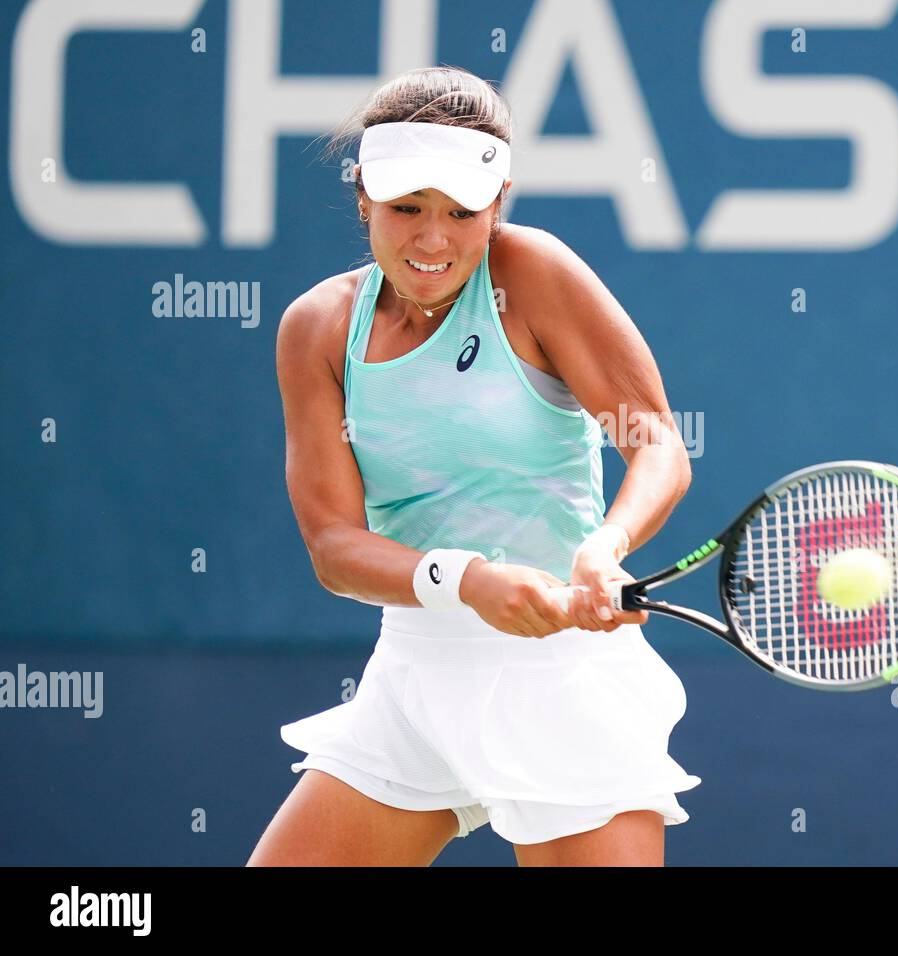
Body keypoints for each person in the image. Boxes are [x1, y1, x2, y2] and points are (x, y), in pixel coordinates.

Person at [246, 66, 701, 867]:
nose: (433, 239)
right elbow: (332, 546)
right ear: (363, 199)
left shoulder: (531, 275)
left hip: (564, 686)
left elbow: (656, 441)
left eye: (462, 212)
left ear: (499, 204)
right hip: (413, 683)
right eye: (406, 209)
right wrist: (465, 582)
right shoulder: (316, 329)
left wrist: (606, 545)